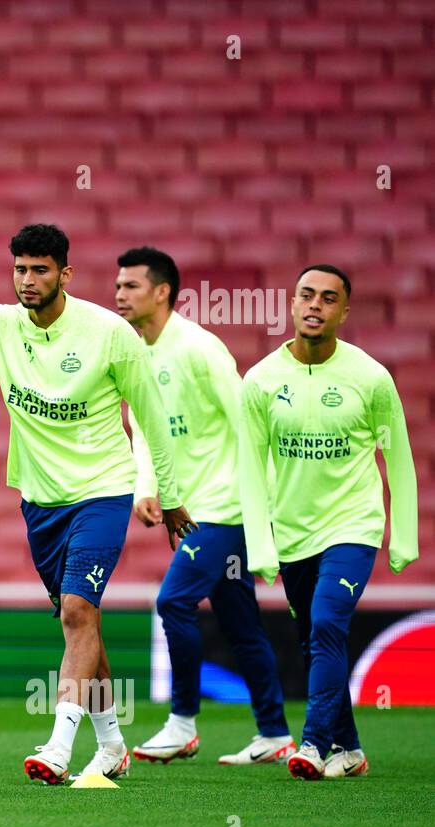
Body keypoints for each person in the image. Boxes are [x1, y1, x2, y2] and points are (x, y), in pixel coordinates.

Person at [0, 224, 195, 784]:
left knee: (74, 610)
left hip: (103, 488)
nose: (27, 280)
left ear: (64, 274)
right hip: (40, 500)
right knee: (83, 619)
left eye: (40, 269)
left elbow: (153, 418)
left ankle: (58, 746)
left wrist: (168, 495)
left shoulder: (110, 334)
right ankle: (113, 744)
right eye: (20, 269)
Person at [115, 246, 294, 766]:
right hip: (189, 508)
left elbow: (246, 421)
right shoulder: (136, 353)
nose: (120, 294)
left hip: (224, 506)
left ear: (162, 292)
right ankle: (275, 732)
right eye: (119, 285)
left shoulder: (199, 348)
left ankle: (182, 723)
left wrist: (264, 502)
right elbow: (146, 434)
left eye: (131, 286)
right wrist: (145, 491)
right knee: (241, 622)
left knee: (173, 602)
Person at [239, 265, 417, 780]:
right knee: (313, 638)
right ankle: (351, 749)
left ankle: (314, 743)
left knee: (327, 622)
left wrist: (402, 537)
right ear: (292, 305)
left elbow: (398, 459)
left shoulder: (370, 378)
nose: (315, 305)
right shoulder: (261, 381)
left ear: (344, 311)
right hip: (293, 531)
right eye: (307, 296)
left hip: (353, 526)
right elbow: (251, 468)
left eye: (328, 298)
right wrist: (260, 546)